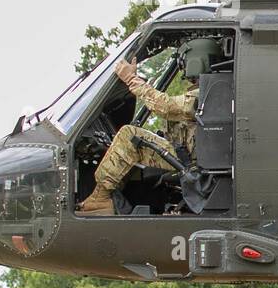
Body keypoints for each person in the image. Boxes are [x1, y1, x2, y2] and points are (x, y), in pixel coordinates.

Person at [76, 37, 222, 216]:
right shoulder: (214, 88)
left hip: (190, 159)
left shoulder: (209, 92)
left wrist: (131, 79)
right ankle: (111, 200)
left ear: (195, 60)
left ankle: (101, 198)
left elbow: (165, 107)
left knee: (129, 136)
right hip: (192, 155)